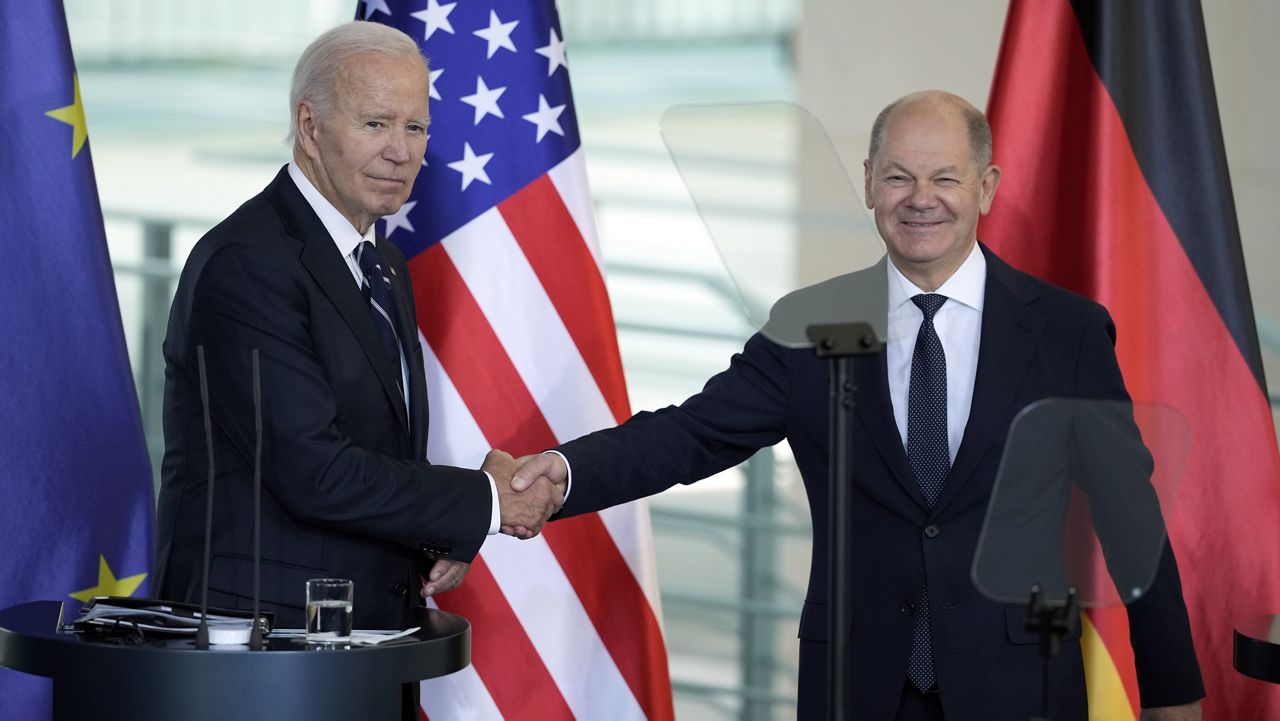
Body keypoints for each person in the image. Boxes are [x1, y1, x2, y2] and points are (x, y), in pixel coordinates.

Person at [511, 91, 1204, 720]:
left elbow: (1129, 516)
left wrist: (1173, 692)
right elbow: (692, 434)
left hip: (1020, 687)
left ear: (986, 188)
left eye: (946, 178)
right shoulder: (812, 323)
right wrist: (562, 471)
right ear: (869, 181)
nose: (920, 197)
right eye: (899, 176)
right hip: (858, 686)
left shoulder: (1065, 330)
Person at [154, 21, 560, 638]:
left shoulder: (383, 263)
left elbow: (377, 451)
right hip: (258, 642)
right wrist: (483, 501)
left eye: (415, 127)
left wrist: (439, 531)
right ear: (310, 128)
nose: (401, 151)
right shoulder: (247, 264)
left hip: (365, 632)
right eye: (375, 123)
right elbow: (315, 472)